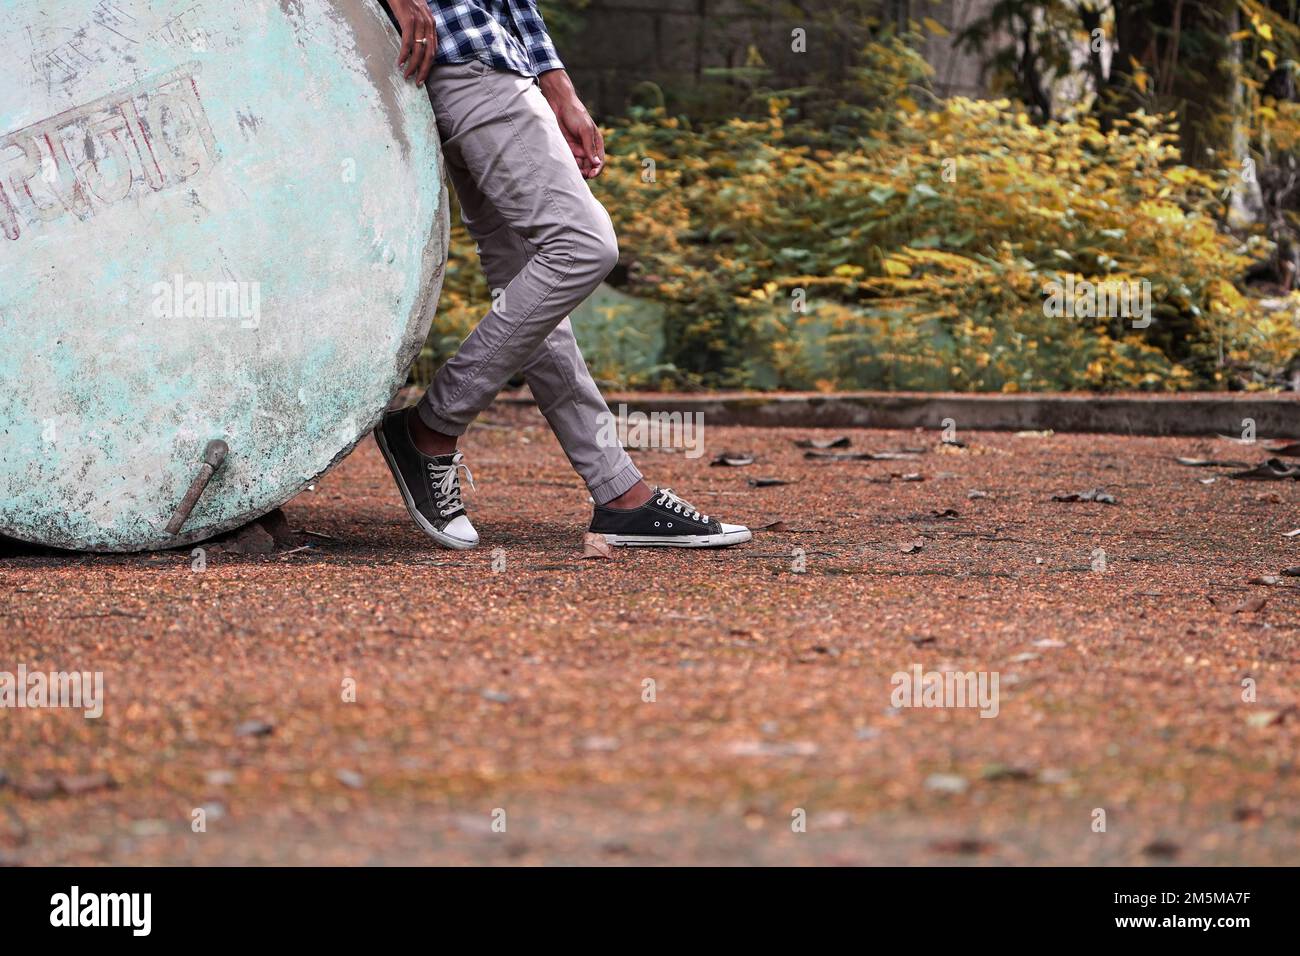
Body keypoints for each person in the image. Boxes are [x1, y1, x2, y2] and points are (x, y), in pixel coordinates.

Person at [373, 0, 752, 550]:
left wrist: (559, 90)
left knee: (531, 291)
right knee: (583, 245)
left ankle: (619, 495)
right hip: (467, 62)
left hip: (480, 60)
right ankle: (430, 426)